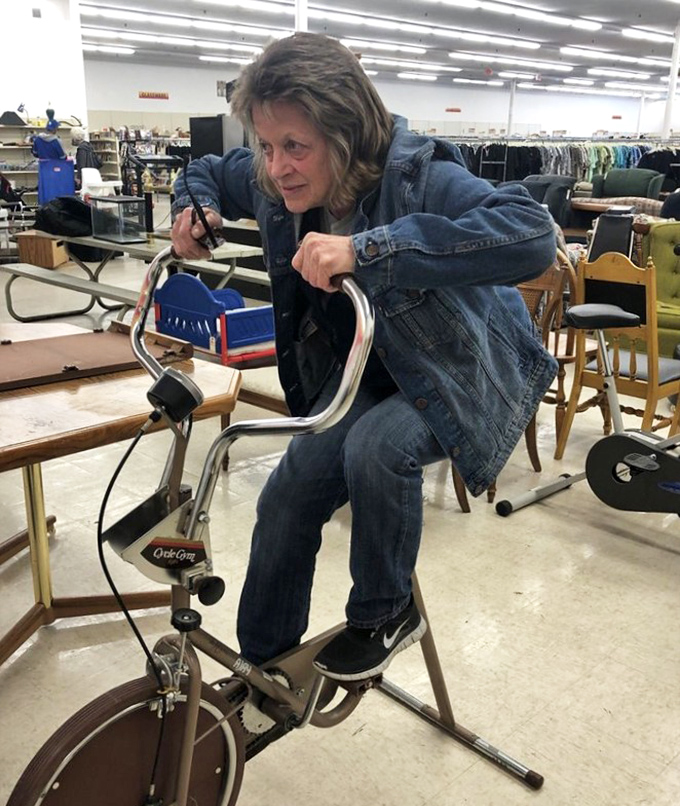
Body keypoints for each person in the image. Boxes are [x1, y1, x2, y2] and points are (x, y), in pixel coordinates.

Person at [172, 32, 557, 682]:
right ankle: (261, 671)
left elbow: (533, 234)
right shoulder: (276, 181)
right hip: (372, 374)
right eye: (267, 146)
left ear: (345, 134)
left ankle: (386, 613)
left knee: (377, 447)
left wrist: (370, 250)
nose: (277, 165)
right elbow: (209, 170)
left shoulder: (418, 174)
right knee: (288, 492)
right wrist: (195, 206)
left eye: (295, 145)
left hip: (464, 375)